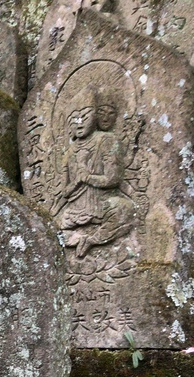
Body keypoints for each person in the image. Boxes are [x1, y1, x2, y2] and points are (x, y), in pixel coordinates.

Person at [53, 86, 137, 257]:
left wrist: (89, 178)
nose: (79, 122)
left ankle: (91, 240)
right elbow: (65, 191)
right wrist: (78, 181)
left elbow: (113, 179)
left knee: (124, 210)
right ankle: (77, 237)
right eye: (73, 119)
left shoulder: (106, 140)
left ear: (95, 116)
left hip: (102, 204)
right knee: (53, 225)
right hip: (76, 209)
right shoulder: (69, 153)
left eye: (84, 116)